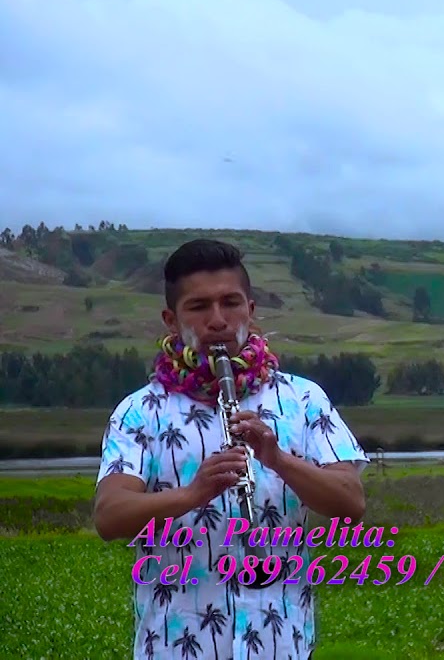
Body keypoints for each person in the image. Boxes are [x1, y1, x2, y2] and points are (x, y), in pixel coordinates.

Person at [93, 238, 368, 660]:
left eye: (231, 303)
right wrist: (194, 493)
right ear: (171, 320)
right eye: (199, 307)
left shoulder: (304, 399)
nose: (218, 320)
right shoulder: (139, 410)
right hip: (174, 647)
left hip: (282, 645)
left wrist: (277, 460)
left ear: (251, 310)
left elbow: (351, 503)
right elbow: (110, 517)